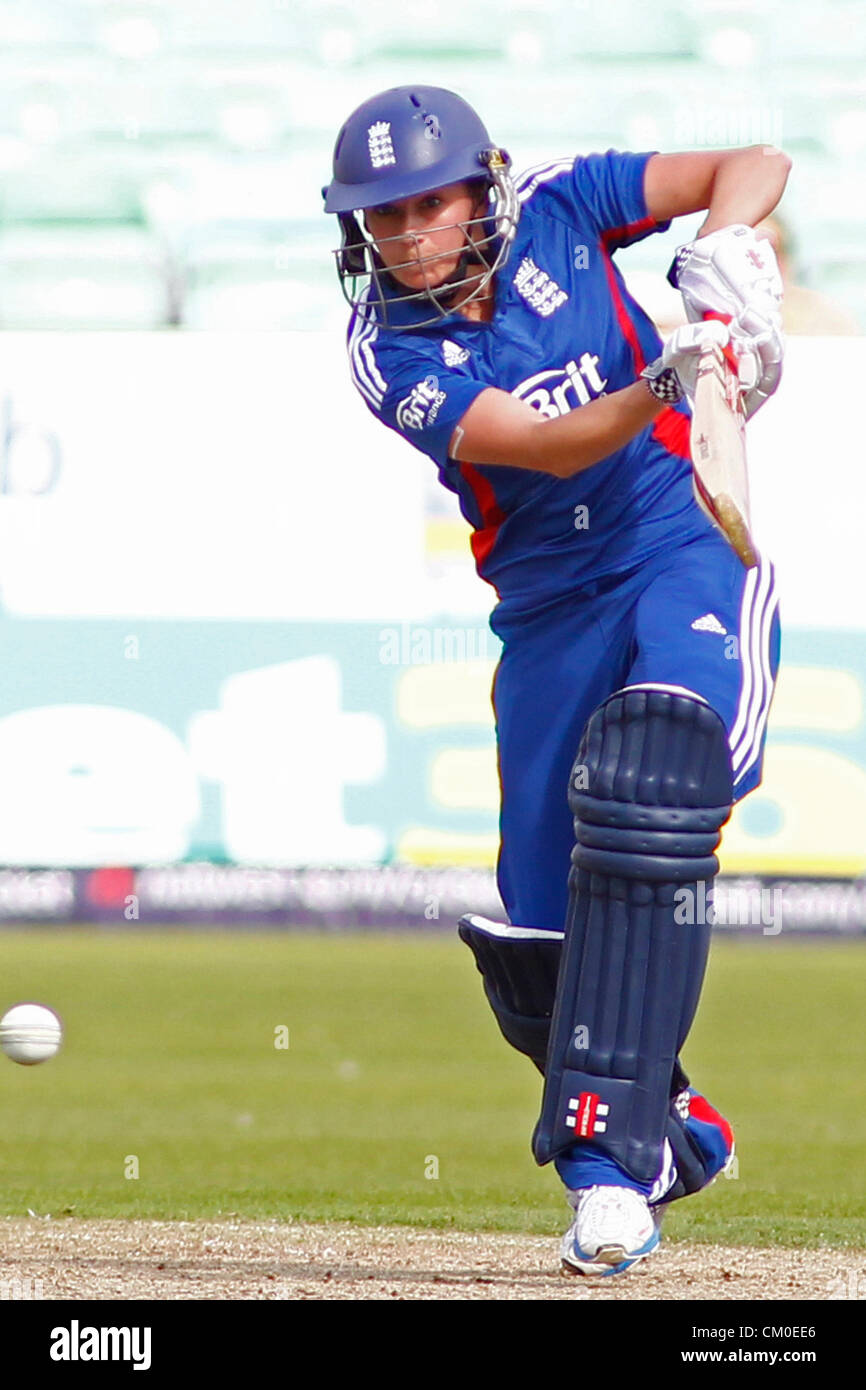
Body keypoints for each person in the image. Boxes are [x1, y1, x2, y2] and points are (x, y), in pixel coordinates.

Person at [323, 86, 789, 1277]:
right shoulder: (388, 352)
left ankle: (600, 1180)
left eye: (431, 201)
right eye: (384, 217)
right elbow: (543, 445)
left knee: (655, 776)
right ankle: (671, 1132)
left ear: (484, 184)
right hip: (544, 611)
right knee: (535, 951)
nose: (411, 232)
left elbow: (750, 158)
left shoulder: (564, 204)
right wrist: (670, 374)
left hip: (675, 534)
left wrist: (722, 260)